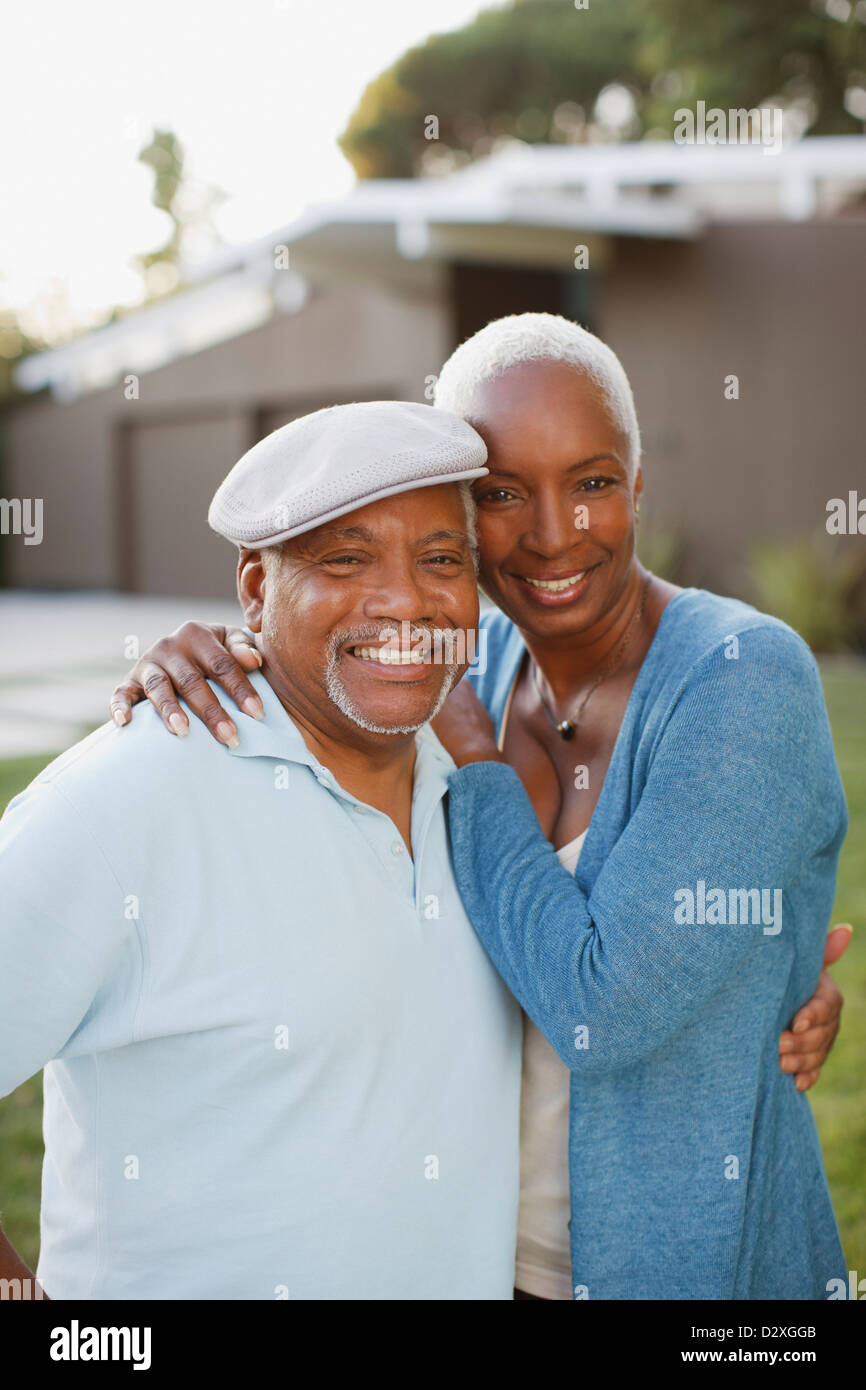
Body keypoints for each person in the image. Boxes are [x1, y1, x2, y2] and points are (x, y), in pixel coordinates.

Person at [112, 315, 852, 1301]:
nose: (552, 533)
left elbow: (601, 1008)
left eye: (590, 482)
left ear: (634, 484)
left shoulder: (736, 676)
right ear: (461, 513)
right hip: (462, 1264)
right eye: (503, 494)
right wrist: (215, 649)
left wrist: (475, 759)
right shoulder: (467, 666)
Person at [0, 401, 524, 1300]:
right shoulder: (124, 802)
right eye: (346, 559)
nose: (406, 600)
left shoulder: (476, 794)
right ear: (254, 590)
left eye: (441, 559)